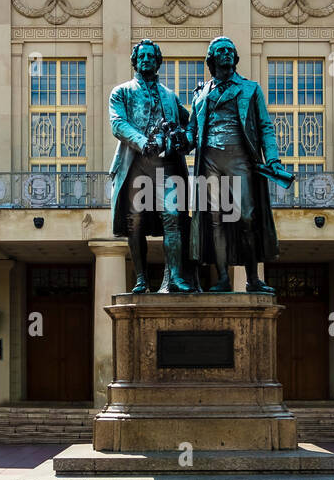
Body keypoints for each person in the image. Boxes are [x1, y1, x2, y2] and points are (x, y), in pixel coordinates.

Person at [186, 36, 288, 293]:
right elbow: (192, 131)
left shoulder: (250, 88)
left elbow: (265, 126)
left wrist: (272, 158)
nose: (226, 53)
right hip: (209, 159)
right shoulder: (201, 93)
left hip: (239, 158)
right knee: (216, 219)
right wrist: (177, 140)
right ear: (211, 59)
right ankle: (222, 278)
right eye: (220, 50)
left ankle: (253, 278)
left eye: (230, 50)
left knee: (247, 216)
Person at [109, 39, 193, 293]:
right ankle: (142, 279)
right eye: (141, 56)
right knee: (134, 222)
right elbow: (117, 124)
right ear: (135, 61)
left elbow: (189, 124)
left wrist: (183, 138)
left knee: (173, 216)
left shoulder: (169, 96)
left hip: (165, 165)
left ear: (157, 62)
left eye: (150, 56)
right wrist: (143, 142)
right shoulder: (121, 92)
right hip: (134, 163)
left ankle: (176, 278)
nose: (146, 60)